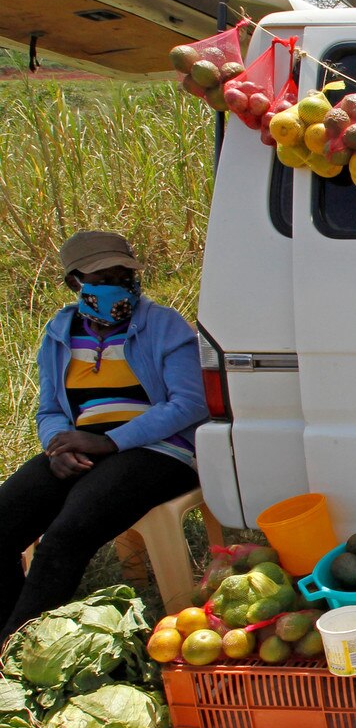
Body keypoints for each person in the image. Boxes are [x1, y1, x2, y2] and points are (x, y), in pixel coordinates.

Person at [0, 231, 207, 640]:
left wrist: (110, 441)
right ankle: (11, 622)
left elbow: (190, 403)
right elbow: (50, 410)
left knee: (66, 535)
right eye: (102, 277)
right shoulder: (59, 333)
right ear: (74, 283)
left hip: (160, 449)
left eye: (123, 274)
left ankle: (12, 648)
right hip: (83, 446)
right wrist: (57, 445)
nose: (117, 285)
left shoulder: (163, 325)